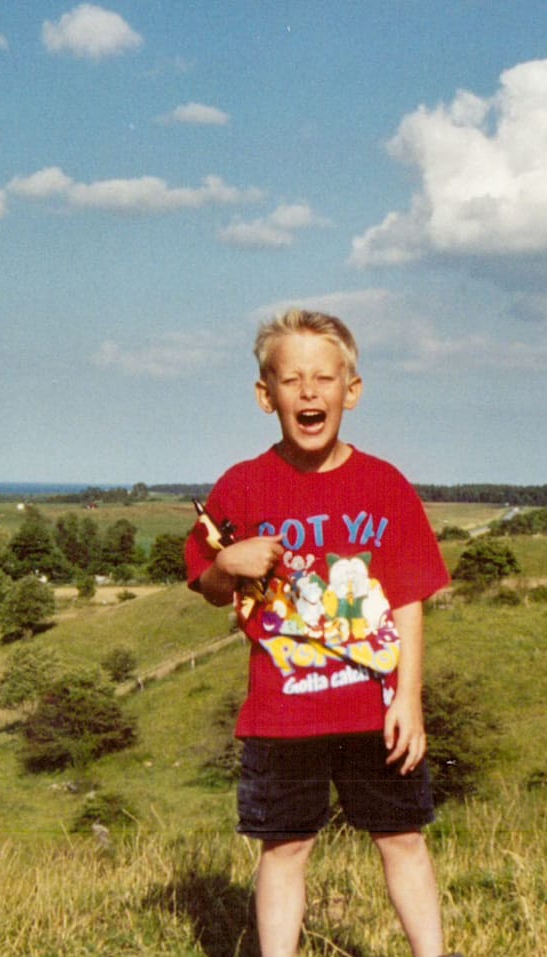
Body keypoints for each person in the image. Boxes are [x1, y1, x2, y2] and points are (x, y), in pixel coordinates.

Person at [185, 308, 457, 957]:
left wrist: (408, 698)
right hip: (282, 715)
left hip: (375, 710)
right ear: (265, 395)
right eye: (291, 379)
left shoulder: (384, 485)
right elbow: (207, 581)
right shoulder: (242, 486)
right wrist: (226, 563)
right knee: (285, 848)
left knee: (402, 837)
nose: (309, 392)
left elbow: (408, 598)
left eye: (324, 378)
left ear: (351, 391)